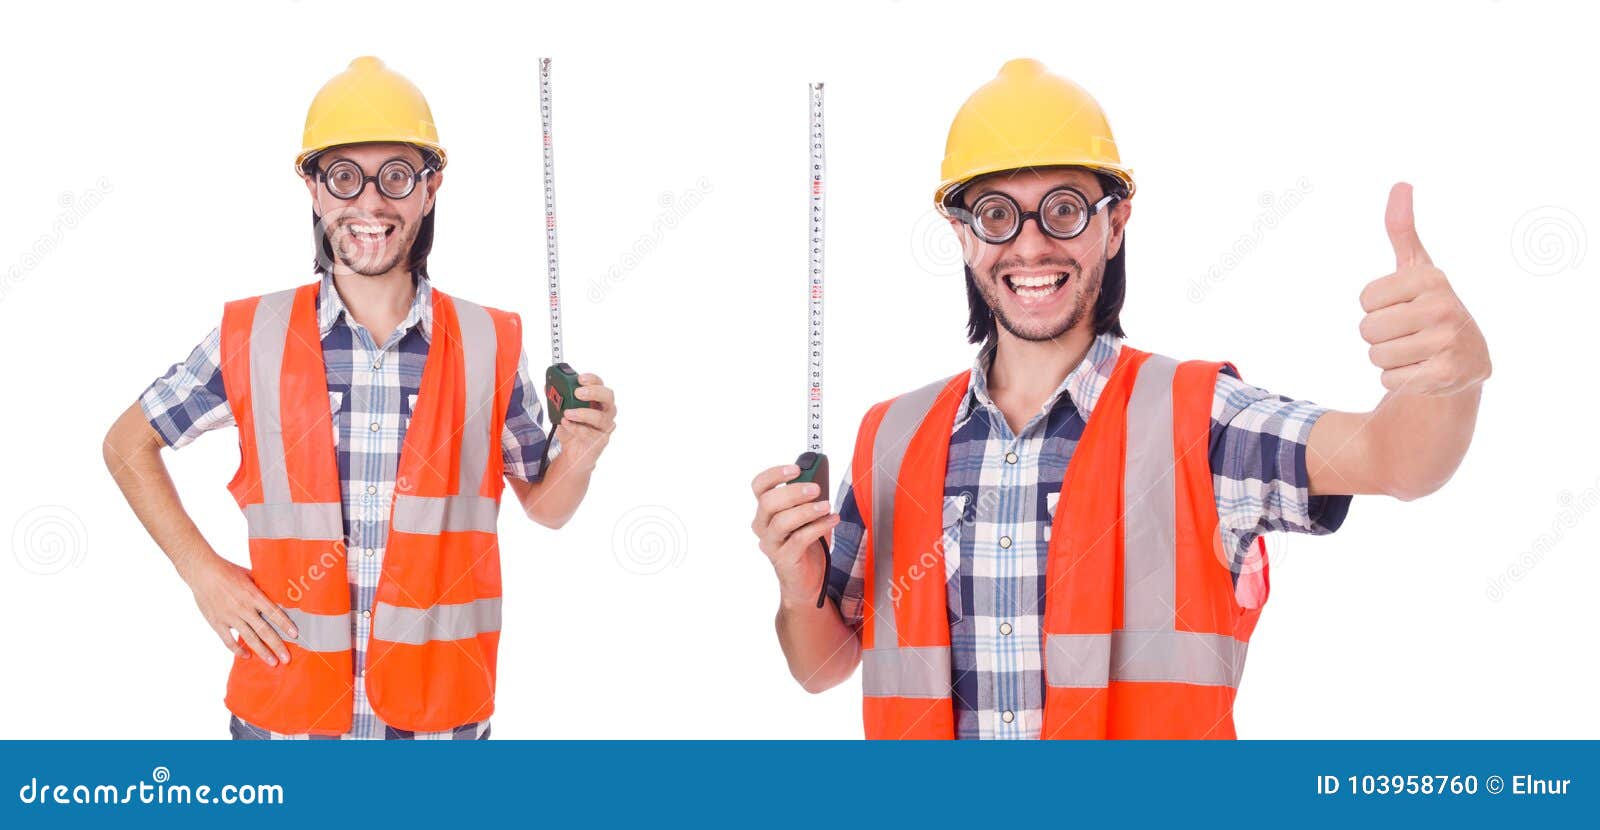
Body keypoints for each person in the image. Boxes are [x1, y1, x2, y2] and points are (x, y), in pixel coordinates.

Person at [749, 58, 1488, 739]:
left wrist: (1449, 378)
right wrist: (798, 588)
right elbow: (821, 669)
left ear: (1115, 221)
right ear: (962, 233)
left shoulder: (1199, 419)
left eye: (1064, 209)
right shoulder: (891, 438)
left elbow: (1400, 461)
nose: (1030, 246)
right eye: (998, 215)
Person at [102, 56, 618, 739]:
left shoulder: (488, 342)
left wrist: (579, 452)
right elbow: (126, 444)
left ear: (430, 189)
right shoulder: (251, 336)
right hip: (285, 726)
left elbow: (547, 509)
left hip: (440, 730)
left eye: (396, 177)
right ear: (315, 190)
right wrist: (202, 573)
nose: (370, 204)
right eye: (345, 177)